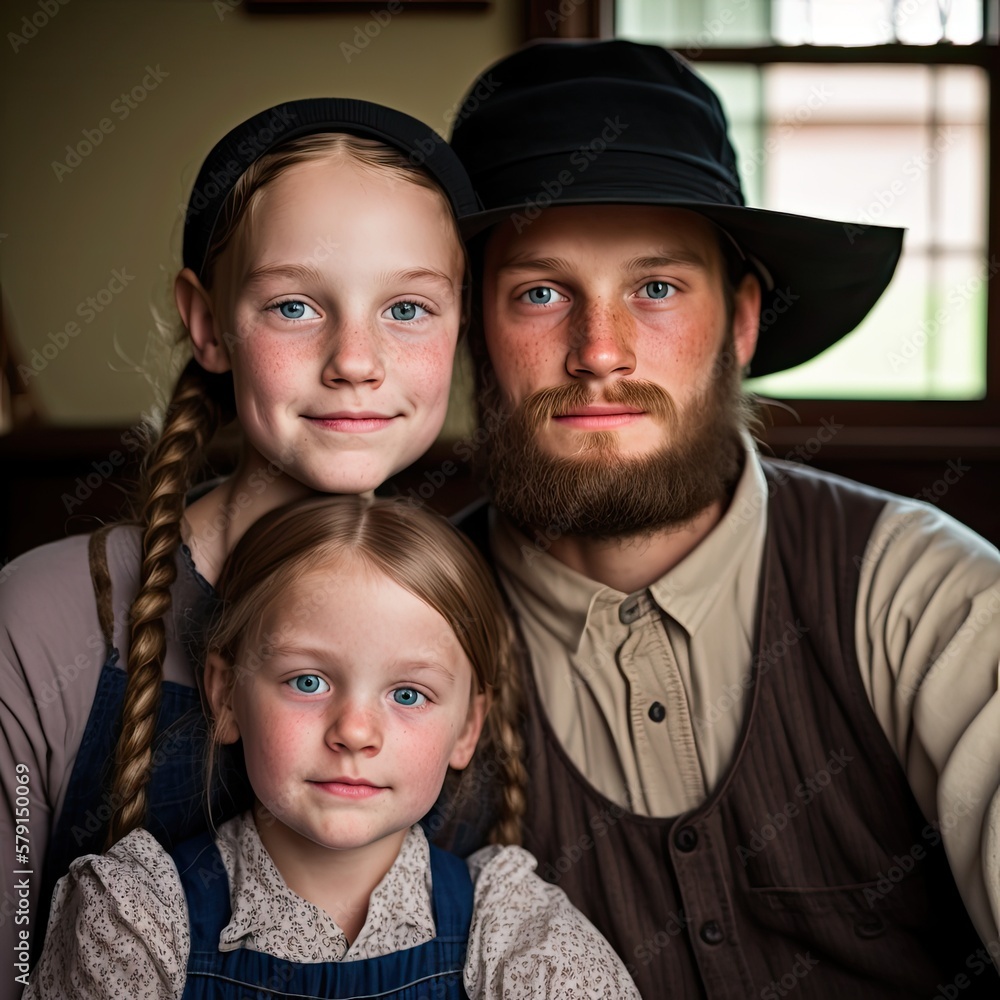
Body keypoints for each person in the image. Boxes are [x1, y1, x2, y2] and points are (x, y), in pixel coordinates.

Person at [444, 40, 1000, 997]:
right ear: (469, 330)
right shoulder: (398, 621)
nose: (599, 352)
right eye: (540, 293)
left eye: (656, 289)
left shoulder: (922, 595)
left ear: (741, 320)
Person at [1, 96, 480, 986]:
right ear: (208, 322)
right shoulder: (46, 619)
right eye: (295, 306)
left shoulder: (475, 611)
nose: (355, 360)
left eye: (407, 309)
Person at [25, 495, 640, 999]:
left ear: (467, 729)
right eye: (308, 681)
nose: (354, 731)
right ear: (227, 696)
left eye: (408, 694)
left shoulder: (513, 931)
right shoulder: (138, 921)